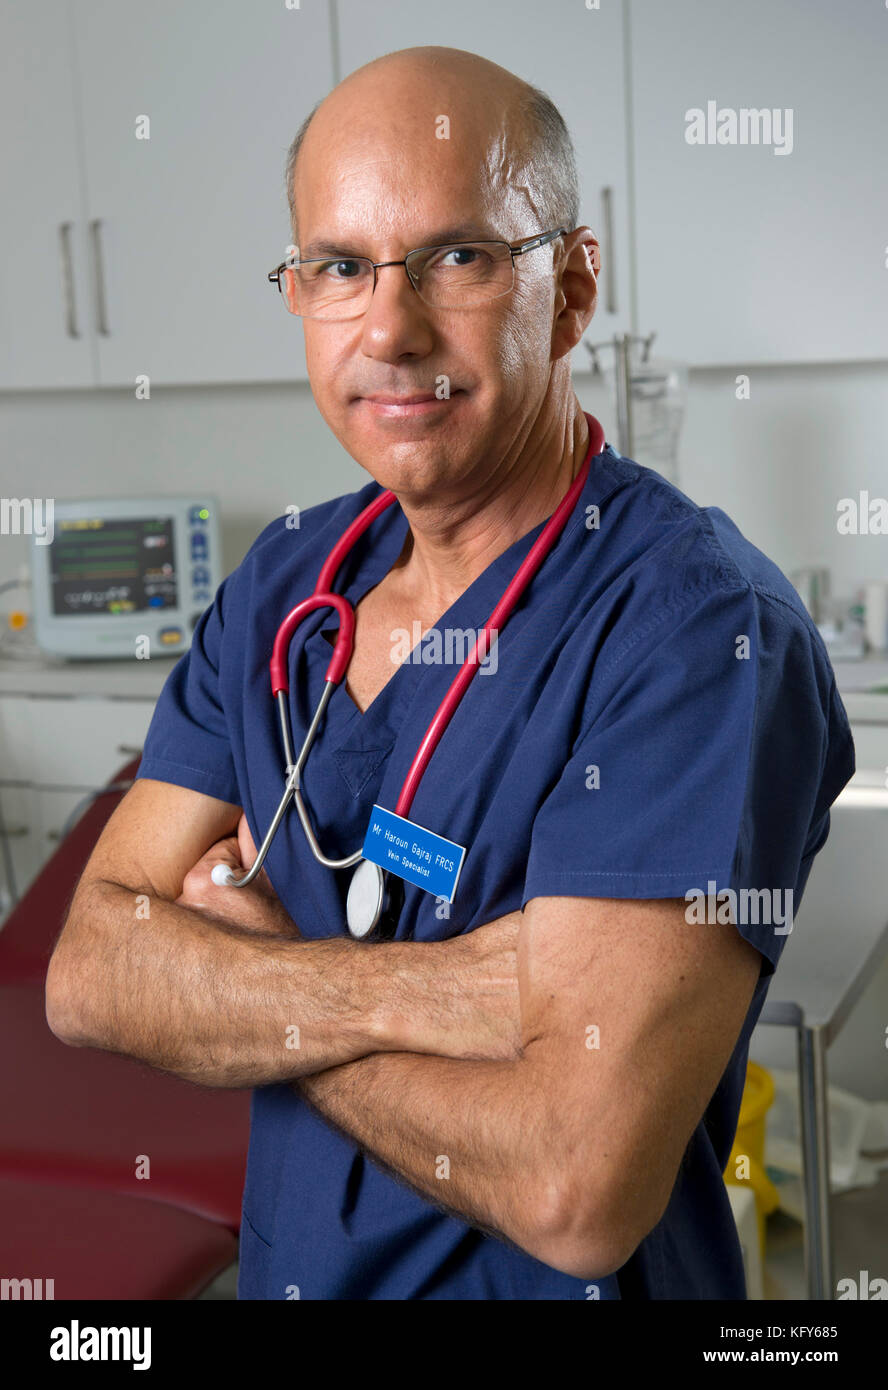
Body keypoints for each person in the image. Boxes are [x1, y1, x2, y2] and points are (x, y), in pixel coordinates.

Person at [46, 45, 855, 1299]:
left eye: (458, 256)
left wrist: (254, 992)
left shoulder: (697, 631)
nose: (390, 324)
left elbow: (572, 1189)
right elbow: (91, 974)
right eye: (339, 266)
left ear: (573, 292)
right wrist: (474, 987)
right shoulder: (284, 587)